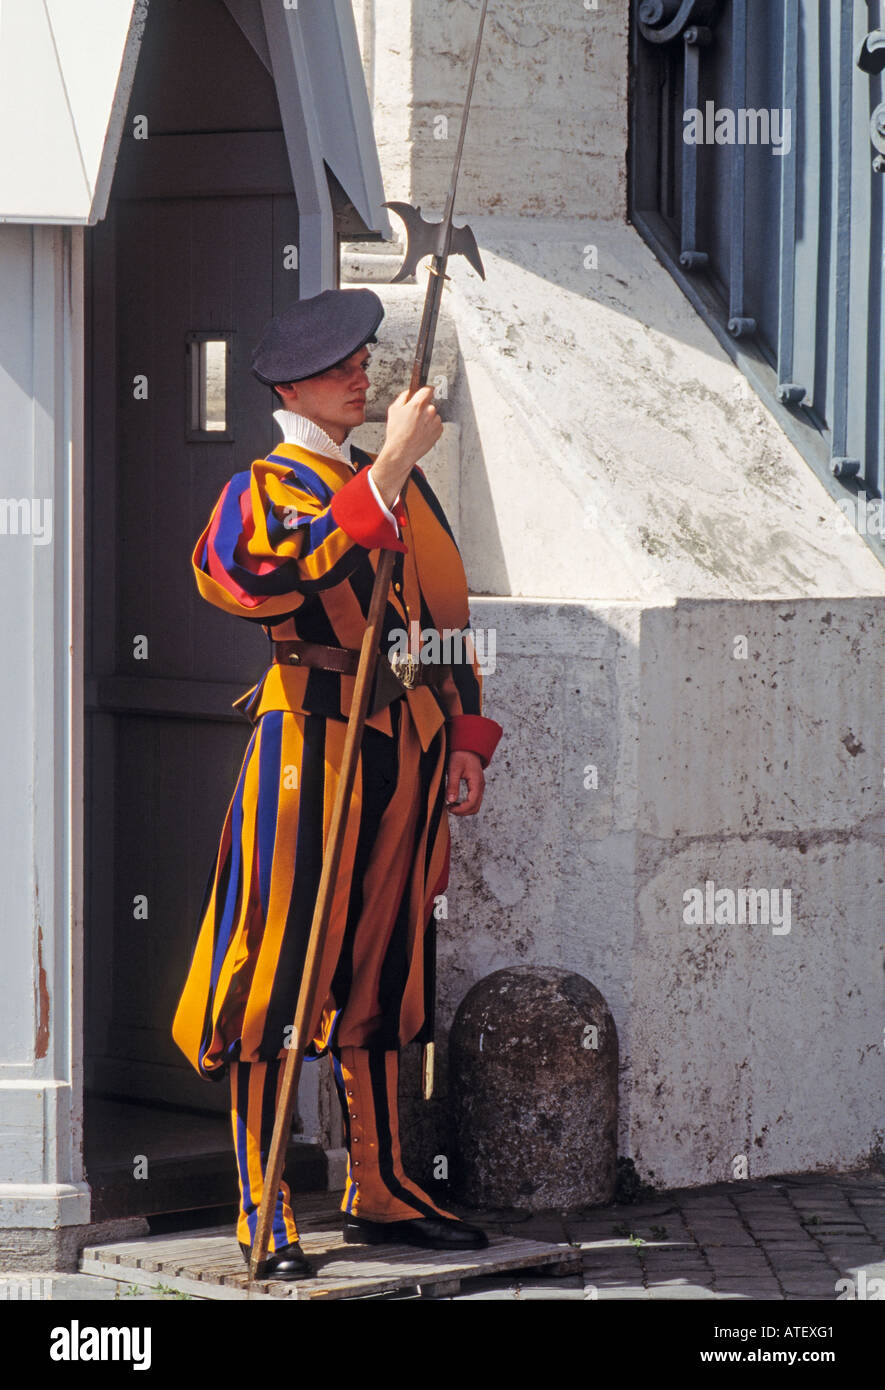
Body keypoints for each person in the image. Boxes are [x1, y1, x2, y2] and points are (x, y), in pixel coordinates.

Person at [172, 288, 503, 1279]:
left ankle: (380, 1184)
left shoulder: (392, 486)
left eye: (364, 361)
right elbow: (258, 580)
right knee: (278, 972)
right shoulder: (264, 490)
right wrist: (390, 472)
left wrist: (471, 738)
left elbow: (444, 611)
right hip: (308, 754)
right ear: (291, 387)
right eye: (342, 366)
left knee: (386, 973)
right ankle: (261, 1206)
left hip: (406, 748)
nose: (365, 375)